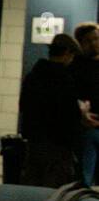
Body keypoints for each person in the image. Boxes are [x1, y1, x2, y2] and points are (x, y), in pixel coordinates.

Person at [20, 33, 89, 187]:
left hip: (35, 140)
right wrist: (82, 111)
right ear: (67, 53)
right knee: (54, 188)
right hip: (58, 143)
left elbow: (24, 105)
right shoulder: (64, 79)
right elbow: (69, 113)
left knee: (33, 182)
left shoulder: (33, 75)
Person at [70, 21, 99, 184]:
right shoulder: (76, 66)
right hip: (86, 129)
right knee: (85, 177)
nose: (94, 44)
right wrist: (80, 112)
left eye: (96, 38)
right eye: (89, 40)